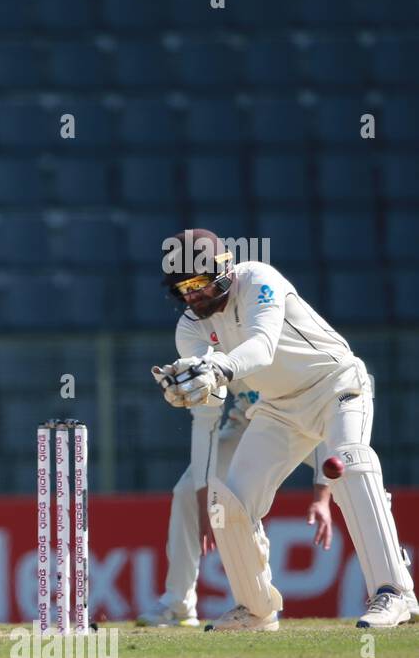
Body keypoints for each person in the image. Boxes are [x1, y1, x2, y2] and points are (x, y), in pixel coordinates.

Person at [153, 229, 415, 630]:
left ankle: (394, 592)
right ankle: (255, 609)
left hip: (336, 385)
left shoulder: (258, 278)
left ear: (223, 270)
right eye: (183, 288)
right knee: (230, 501)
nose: (192, 295)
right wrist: (194, 386)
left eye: (198, 283)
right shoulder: (189, 329)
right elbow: (207, 388)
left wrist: (218, 368)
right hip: (278, 409)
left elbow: (262, 347)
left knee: (350, 463)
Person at [137, 386, 336, 627]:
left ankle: (389, 584)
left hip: (299, 421)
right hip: (246, 423)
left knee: (353, 472)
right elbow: (205, 421)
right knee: (188, 491)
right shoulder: (203, 349)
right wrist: (203, 500)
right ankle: (179, 602)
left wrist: (322, 494)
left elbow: (330, 428)